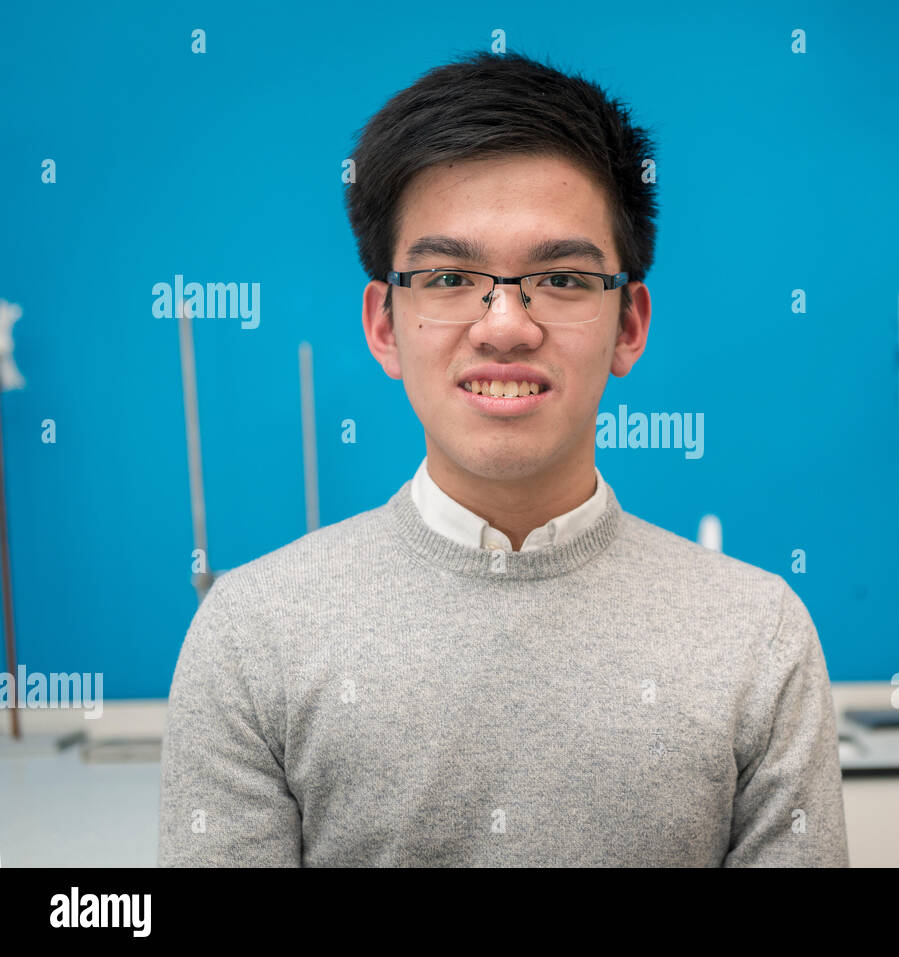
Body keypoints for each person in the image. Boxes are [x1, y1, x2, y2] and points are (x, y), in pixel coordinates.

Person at [158, 49, 848, 867]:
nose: (506, 325)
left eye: (562, 278)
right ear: (384, 324)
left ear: (629, 325)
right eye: (450, 276)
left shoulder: (759, 637)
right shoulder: (250, 634)